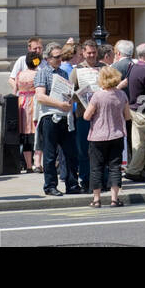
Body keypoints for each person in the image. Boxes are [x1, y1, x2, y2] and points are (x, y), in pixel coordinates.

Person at [35, 43, 80, 196]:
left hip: (64, 116)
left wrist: (71, 99)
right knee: (50, 154)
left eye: (61, 56)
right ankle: (50, 186)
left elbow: (66, 94)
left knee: (70, 152)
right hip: (50, 117)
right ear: (48, 59)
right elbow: (40, 96)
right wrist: (59, 104)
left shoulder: (63, 73)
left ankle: (72, 184)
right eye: (56, 57)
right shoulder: (43, 72)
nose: (60, 59)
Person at [83, 65, 130, 207]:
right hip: (116, 135)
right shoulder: (122, 95)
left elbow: (86, 116)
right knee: (115, 167)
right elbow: (127, 116)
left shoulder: (97, 95)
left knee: (96, 168)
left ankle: (96, 200)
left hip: (97, 136)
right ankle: (114, 199)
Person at [122, 42, 145, 182]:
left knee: (138, 142)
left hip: (133, 108)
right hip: (142, 110)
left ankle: (139, 170)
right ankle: (134, 171)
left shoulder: (133, 66)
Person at [68, 40, 102, 192]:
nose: (92, 55)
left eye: (94, 52)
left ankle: (102, 179)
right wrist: (79, 96)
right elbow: (69, 92)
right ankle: (86, 179)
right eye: (89, 53)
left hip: (102, 116)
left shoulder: (104, 68)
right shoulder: (77, 70)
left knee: (102, 149)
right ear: (82, 53)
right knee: (84, 149)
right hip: (84, 114)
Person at [13, 50, 40, 173]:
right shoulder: (38, 74)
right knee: (37, 133)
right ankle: (38, 163)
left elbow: (15, 91)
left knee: (25, 136)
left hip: (22, 103)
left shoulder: (19, 75)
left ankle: (28, 165)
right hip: (34, 103)